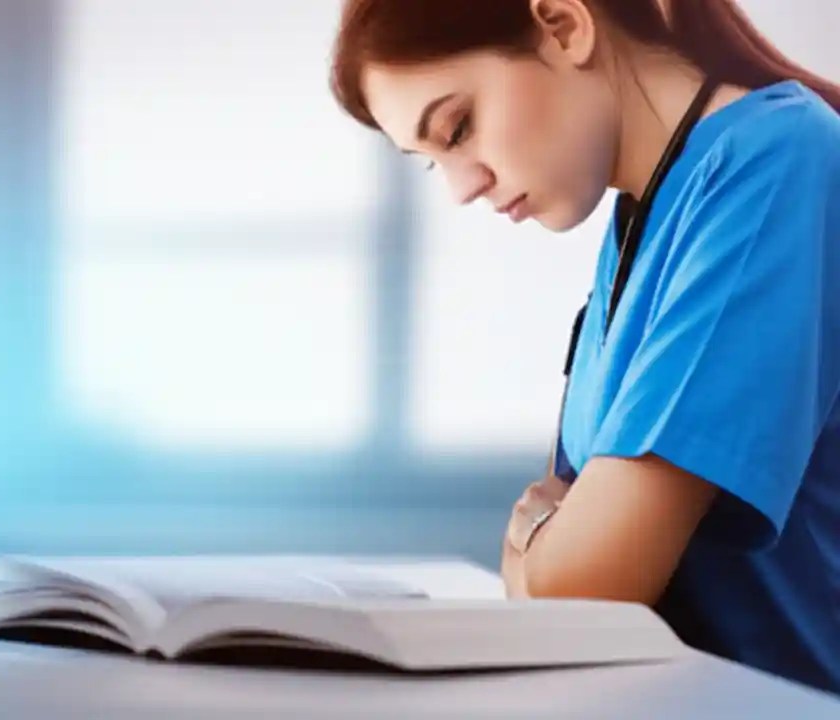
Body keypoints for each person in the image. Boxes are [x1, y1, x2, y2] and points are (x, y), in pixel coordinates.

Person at [329, 0, 840, 694]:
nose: (462, 187)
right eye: (432, 164)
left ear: (564, 24)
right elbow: (552, 597)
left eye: (458, 127)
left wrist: (541, 535)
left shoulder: (779, 163)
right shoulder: (640, 220)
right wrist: (553, 548)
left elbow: (585, 589)